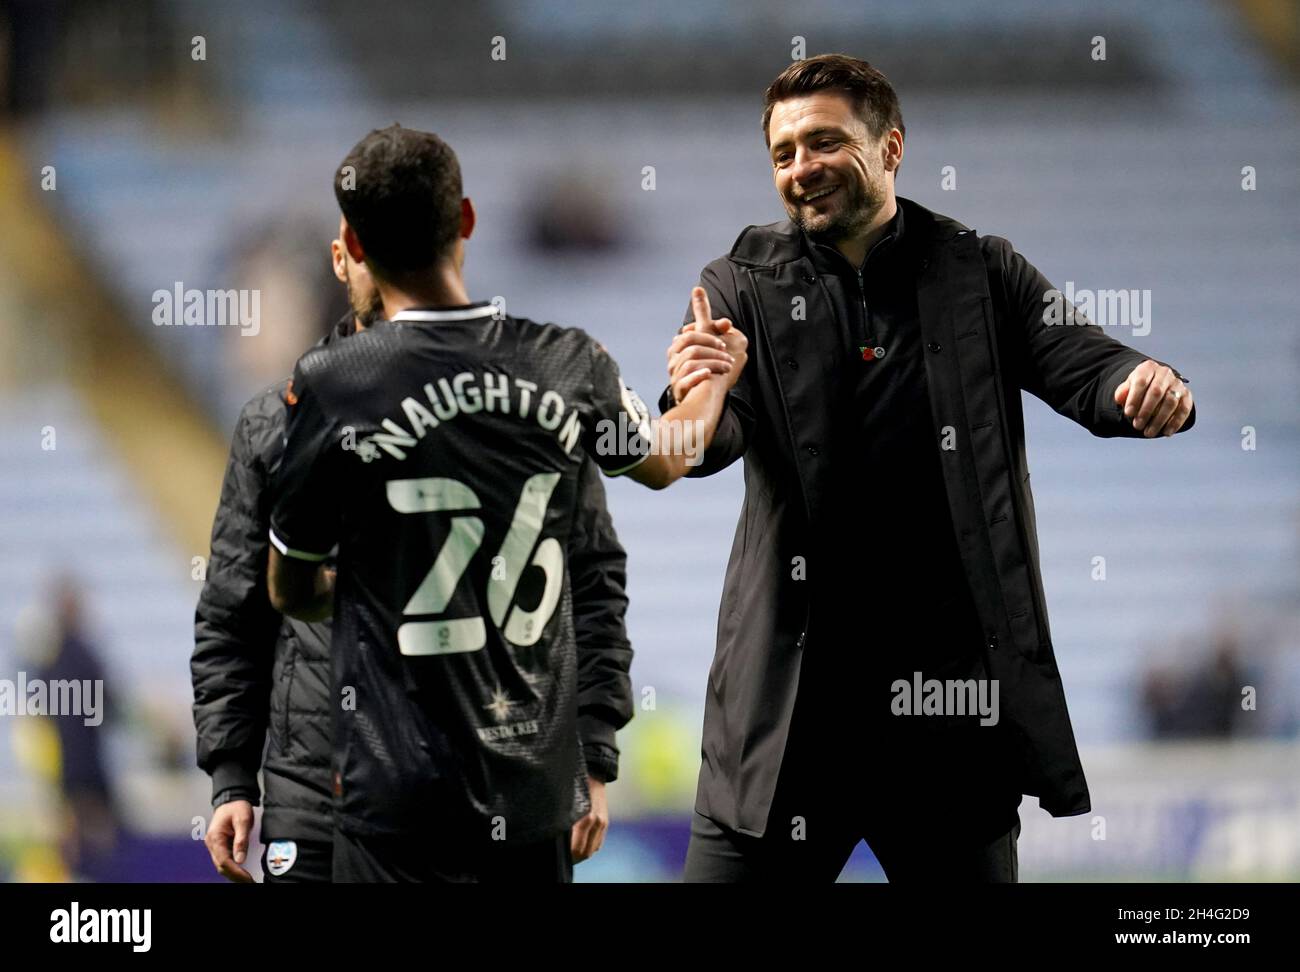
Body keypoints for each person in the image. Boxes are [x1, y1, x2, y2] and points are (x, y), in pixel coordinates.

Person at [664, 54, 1196, 882]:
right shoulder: (737, 286)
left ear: (892, 147)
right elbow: (703, 439)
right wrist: (696, 398)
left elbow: (1087, 366)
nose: (801, 169)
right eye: (783, 154)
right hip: (788, 726)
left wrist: (1145, 383)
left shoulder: (979, 271)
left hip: (947, 725)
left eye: (823, 143)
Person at [265, 125, 746, 882]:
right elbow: (669, 460)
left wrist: (366, 587)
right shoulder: (567, 361)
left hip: (393, 801)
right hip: (530, 800)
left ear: (352, 247)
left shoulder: (332, 382)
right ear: (466, 222)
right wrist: (713, 382)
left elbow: (289, 585)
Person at [195, 231, 636, 883]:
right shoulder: (275, 420)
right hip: (317, 801)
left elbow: (592, 582)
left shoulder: (521, 411)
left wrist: (593, 752)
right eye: (373, 252)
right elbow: (235, 613)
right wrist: (232, 776)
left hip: (496, 785)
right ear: (343, 261)